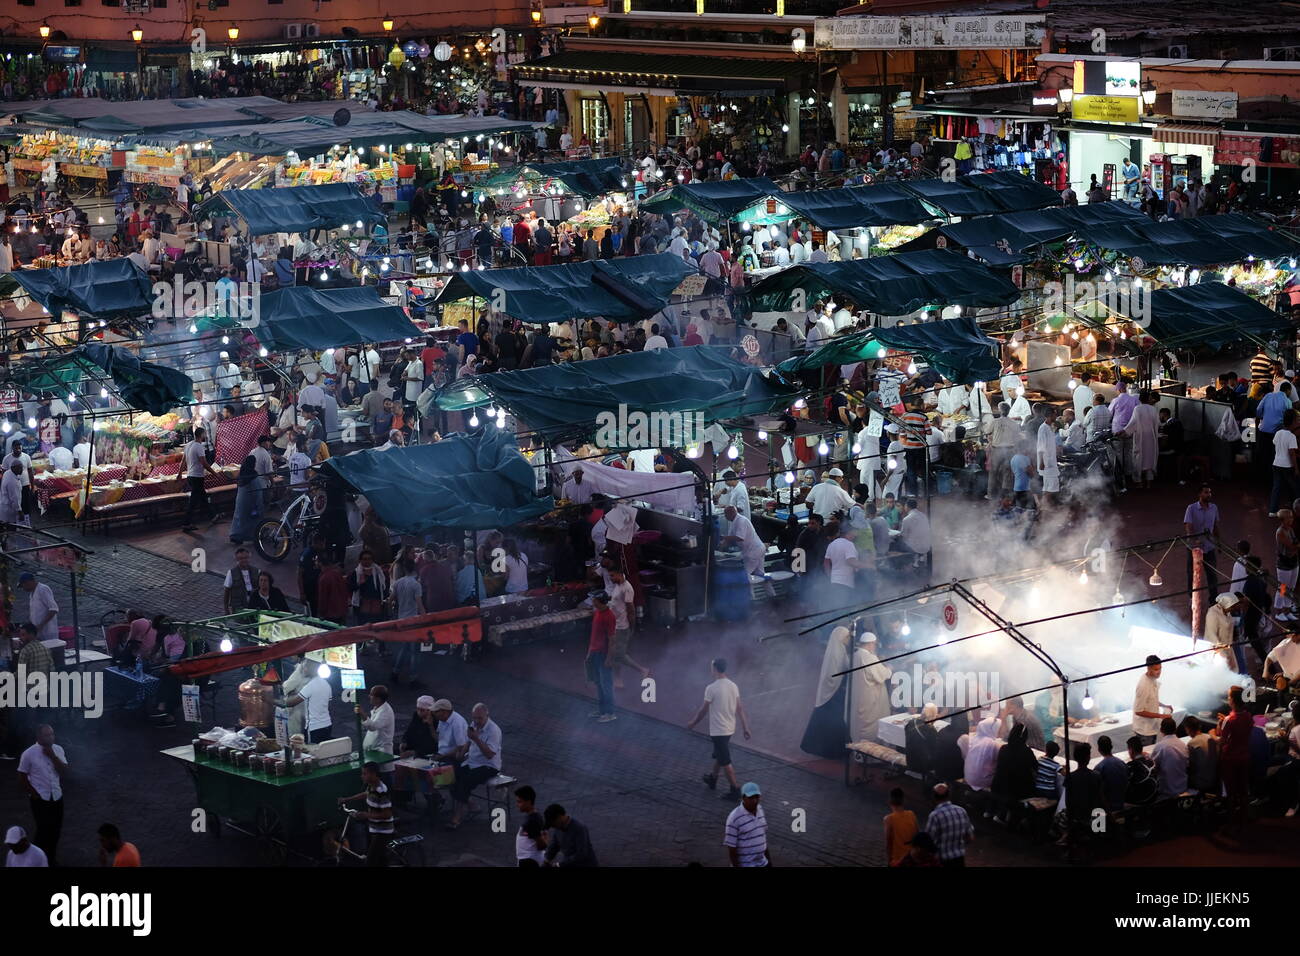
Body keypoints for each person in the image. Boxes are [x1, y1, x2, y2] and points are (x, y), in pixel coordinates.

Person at [688, 657, 751, 803]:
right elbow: (739, 708)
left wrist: (692, 723)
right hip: (729, 728)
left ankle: (735, 790)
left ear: (715, 668)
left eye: (711, 666)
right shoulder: (733, 685)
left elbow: (703, 711)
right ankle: (713, 779)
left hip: (719, 730)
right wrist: (745, 727)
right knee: (719, 754)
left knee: (725, 761)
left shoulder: (711, 688)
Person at [17, 725, 67, 865]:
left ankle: (51, 859)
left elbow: (64, 771)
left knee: (56, 830)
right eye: (47, 735)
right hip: (40, 800)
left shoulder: (58, 749)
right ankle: (36, 861)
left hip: (57, 797)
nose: (51, 737)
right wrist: (34, 794)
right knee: (43, 831)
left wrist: (52, 756)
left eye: (52, 734)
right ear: (38, 737)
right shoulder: (29, 753)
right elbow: (22, 775)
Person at [448, 703, 502, 829]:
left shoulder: (494, 730)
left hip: (488, 766)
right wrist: (461, 754)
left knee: (465, 782)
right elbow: (468, 740)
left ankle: (457, 816)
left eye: (480, 718)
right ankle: (472, 805)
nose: (477, 721)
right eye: (474, 718)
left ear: (487, 716)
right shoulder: (473, 725)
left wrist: (477, 739)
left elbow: (489, 755)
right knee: (451, 776)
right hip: (472, 762)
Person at [800, 625, 851, 758]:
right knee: (834, 721)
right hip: (833, 693)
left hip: (837, 691)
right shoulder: (835, 652)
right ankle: (834, 750)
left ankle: (834, 749)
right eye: (846, 637)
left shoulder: (841, 650)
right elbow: (831, 675)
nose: (849, 639)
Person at [337, 762, 395, 866]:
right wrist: (347, 799)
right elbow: (365, 794)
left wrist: (366, 815)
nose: (362, 776)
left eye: (364, 774)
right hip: (373, 828)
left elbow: (387, 814)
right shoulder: (371, 786)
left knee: (370, 862)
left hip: (382, 831)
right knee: (379, 859)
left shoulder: (381, 791)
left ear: (373, 774)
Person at [1217, 685, 1253, 833]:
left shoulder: (1229, 719)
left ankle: (1231, 822)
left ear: (1233, 700)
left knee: (1231, 792)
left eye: (1229, 696)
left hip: (1230, 760)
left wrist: (1216, 730)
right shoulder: (1248, 716)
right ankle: (1244, 819)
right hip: (1244, 757)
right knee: (1243, 790)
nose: (1228, 698)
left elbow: (1222, 741)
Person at [849, 631, 891, 744]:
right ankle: (871, 757)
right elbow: (881, 675)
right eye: (874, 644)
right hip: (870, 699)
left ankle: (859, 753)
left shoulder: (855, 655)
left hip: (859, 697)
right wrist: (889, 668)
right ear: (870, 643)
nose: (874, 646)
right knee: (872, 727)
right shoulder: (869, 657)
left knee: (859, 724)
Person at [1182, 484, 1220, 598]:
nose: (1209, 495)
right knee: (1192, 574)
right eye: (1206, 492)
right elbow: (1188, 526)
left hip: (1209, 547)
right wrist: (1194, 540)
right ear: (1199, 494)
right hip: (1194, 548)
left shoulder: (1214, 508)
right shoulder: (1191, 508)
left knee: (1212, 574)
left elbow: (1216, 526)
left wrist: (1218, 542)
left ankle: (1213, 599)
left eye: (1209, 492)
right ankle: (1191, 597)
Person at [586, 591, 617, 722]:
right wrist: (589, 653)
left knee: (606, 684)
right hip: (594, 652)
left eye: (593, 599)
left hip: (603, 654)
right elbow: (594, 635)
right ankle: (602, 710)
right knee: (598, 683)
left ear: (599, 601)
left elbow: (612, 639)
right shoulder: (597, 612)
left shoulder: (609, 616)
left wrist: (609, 658)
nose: (592, 601)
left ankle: (610, 713)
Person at [723, 781, 770, 867]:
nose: (755, 800)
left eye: (757, 797)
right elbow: (732, 849)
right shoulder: (734, 818)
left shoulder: (760, 810)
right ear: (743, 798)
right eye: (751, 797)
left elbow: (762, 837)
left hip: (763, 863)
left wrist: (769, 862)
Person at [925, 783, 973, 867]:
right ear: (949, 795)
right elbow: (970, 837)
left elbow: (927, 842)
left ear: (933, 797)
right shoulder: (961, 811)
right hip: (959, 860)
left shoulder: (935, 815)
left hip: (941, 861)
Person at [181, 427, 219, 532]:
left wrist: (180, 474)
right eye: (205, 434)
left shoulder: (188, 445)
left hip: (190, 476)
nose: (205, 435)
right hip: (197, 477)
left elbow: (183, 461)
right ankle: (186, 523)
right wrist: (215, 473)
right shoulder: (199, 446)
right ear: (201, 435)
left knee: (203, 498)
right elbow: (204, 463)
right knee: (193, 501)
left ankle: (213, 516)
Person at [284, 665, 333, 743]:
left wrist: (276, 700)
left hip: (314, 727)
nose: (304, 669)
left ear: (313, 669)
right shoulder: (326, 684)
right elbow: (329, 705)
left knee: (312, 752)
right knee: (325, 750)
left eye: (307, 667)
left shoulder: (310, 686)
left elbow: (291, 703)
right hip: (327, 725)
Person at [1121, 390, 1160, 489]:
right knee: (1150, 458)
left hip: (1141, 437)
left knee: (1138, 459)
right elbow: (1158, 424)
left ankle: (1139, 482)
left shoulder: (1137, 409)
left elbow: (1133, 423)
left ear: (1139, 399)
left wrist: (1124, 431)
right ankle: (1149, 483)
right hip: (1151, 437)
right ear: (1149, 399)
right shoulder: (1153, 409)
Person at [357, 684, 396, 781]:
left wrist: (362, 714)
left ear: (378, 699)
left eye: (371, 695)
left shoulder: (385, 712)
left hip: (382, 756)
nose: (369, 696)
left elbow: (373, 726)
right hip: (373, 754)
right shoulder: (377, 708)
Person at [1132, 654, 1171, 746]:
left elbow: (1151, 700)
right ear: (1148, 668)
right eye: (1156, 669)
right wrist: (1161, 716)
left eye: (1160, 668)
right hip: (1144, 731)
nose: (1159, 672)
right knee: (1146, 756)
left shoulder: (1153, 679)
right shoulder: (1143, 685)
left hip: (1152, 727)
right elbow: (1138, 711)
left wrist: (1164, 706)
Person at [1152, 716, 1189, 799]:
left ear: (1161, 730)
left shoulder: (1160, 746)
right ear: (1175, 729)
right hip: (1183, 786)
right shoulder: (1183, 745)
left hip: (1167, 790)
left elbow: (1153, 766)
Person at [963, 715, 1001, 792]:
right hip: (981, 781)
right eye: (998, 728)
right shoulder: (991, 744)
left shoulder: (974, 739)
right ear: (992, 729)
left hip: (968, 777)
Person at [19, 572, 59, 644]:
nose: (23, 588)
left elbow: (54, 609)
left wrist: (41, 625)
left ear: (28, 582)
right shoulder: (31, 594)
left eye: (23, 586)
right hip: (37, 632)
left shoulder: (43, 589)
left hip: (48, 631)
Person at [883, 787, 919, 866]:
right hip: (911, 858)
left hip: (898, 860)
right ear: (903, 800)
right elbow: (917, 835)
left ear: (890, 801)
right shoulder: (911, 814)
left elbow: (888, 843)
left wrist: (889, 861)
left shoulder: (889, 819)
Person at [1184, 717, 1220, 795]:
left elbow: (1190, 765)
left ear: (1187, 729)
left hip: (1201, 781)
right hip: (1215, 779)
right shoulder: (1210, 738)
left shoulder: (1192, 743)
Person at [514, 785, 548, 866]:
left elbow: (542, 845)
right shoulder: (534, 816)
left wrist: (545, 838)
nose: (517, 804)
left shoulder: (532, 821)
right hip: (528, 859)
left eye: (519, 802)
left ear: (528, 802)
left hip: (529, 861)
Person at [1094, 735, 1127, 813]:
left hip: (1107, 808)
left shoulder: (1099, 768)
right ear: (1111, 747)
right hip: (1122, 803)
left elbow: (1099, 793)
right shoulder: (1122, 763)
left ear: (1099, 749)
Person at [1125, 735, 1158, 805]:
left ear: (1131, 751)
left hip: (1140, 799)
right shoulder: (1151, 761)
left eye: (1128, 750)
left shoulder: (1131, 765)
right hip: (1154, 794)